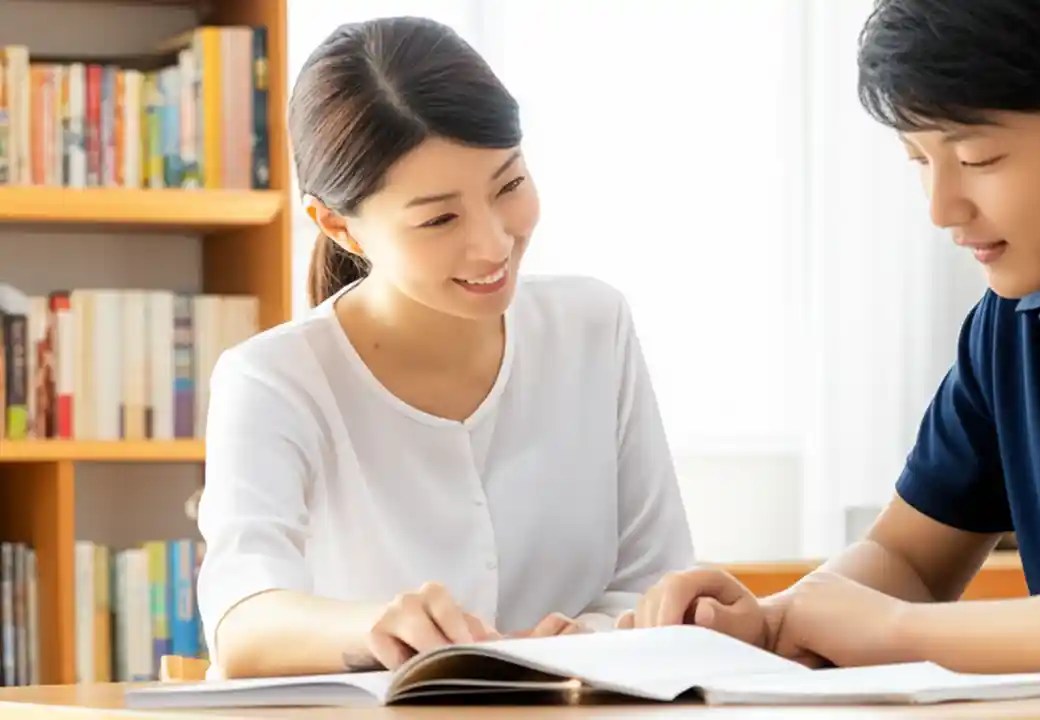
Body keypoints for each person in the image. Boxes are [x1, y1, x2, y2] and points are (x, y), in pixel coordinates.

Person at [624, 0, 1040, 688]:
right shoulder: (1014, 317)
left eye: (977, 158)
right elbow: (907, 560)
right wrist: (769, 623)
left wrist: (894, 632)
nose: (941, 209)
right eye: (918, 159)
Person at [195, 16, 694, 679]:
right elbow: (243, 624)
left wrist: (589, 638)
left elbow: (657, 577)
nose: (493, 244)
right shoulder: (272, 379)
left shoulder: (593, 326)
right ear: (338, 225)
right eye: (439, 219)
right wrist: (376, 629)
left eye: (508, 185)